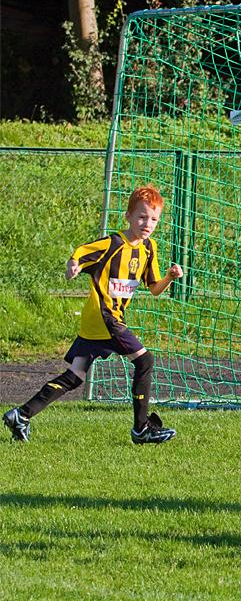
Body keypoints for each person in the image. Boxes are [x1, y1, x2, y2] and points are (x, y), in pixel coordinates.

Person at [3, 185, 183, 445]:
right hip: (105, 317)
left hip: (99, 321)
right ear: (128, 217)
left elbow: (154, 289)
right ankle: (141, 429)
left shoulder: (148, 249)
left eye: (154, 219)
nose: (148, 223)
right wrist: (73, 264)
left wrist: (169, 276)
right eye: (142, 217)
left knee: (76, 375)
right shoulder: (112, 243)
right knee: (145, 362)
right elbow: (81, 252)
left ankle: (21, 415)